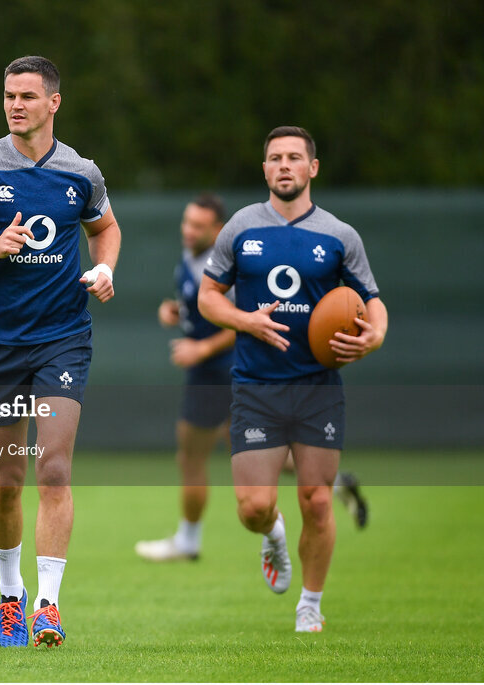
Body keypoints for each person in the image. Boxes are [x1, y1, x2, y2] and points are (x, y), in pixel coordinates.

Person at [0, 55, 121, 648]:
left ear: (53, 102)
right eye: (9, 96)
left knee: (54, 469)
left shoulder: (80, 173)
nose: (15, 105)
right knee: (6, 479)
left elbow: (105, 228)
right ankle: (10, 595)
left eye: (27, 96)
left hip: (63, 338)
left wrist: (105, 268)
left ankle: (49, 607)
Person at [198, 126, 388, 632]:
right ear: (265, 169)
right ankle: (274, 534)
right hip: (256, 387)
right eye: (275, 158)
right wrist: (246, 320)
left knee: (318, 500)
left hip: (317, 387)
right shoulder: (241, 227)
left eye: (294, 158)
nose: (284, 165)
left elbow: (372, 302)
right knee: (253, 508)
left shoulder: (340, 235)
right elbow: (208, 297)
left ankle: (310, 604)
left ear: (312, 168)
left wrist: (374, 337)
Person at [135, 194, 234, 562]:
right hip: (221, 370)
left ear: (217, 230)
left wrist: (201, 349)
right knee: (251, 450)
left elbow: (243, 321)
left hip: (217, 371)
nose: (189, 231)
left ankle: (188, 541)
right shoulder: (194, 255)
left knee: (191, 458)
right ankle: (331, 478)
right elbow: (209, 308)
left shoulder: (219, 265)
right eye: (187, 222)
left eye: (198, 226)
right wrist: (180, 311)